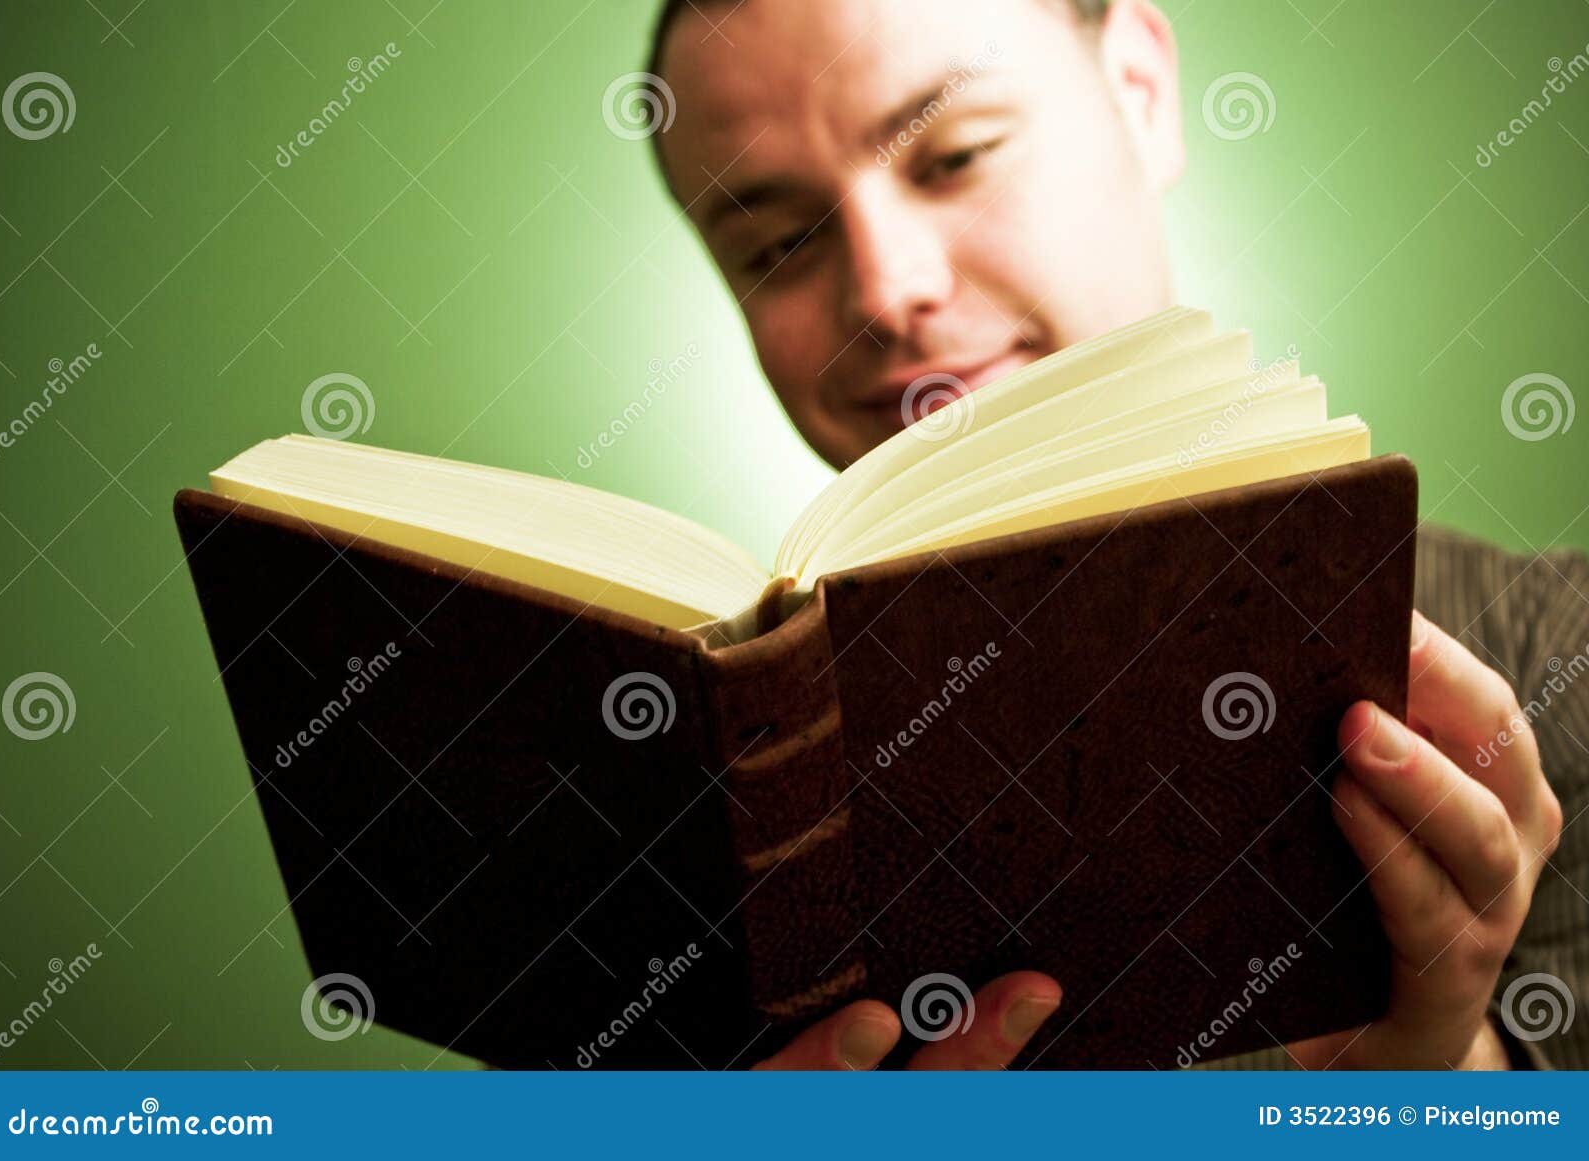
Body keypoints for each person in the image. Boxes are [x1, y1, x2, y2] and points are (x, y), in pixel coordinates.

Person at [643, 0, 1585, 1069]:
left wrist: (1421, 1073)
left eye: (953, 155)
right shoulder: (688, 812)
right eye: (775, 242)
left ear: (1137, 89)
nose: (887, 288)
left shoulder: (1557, 648)